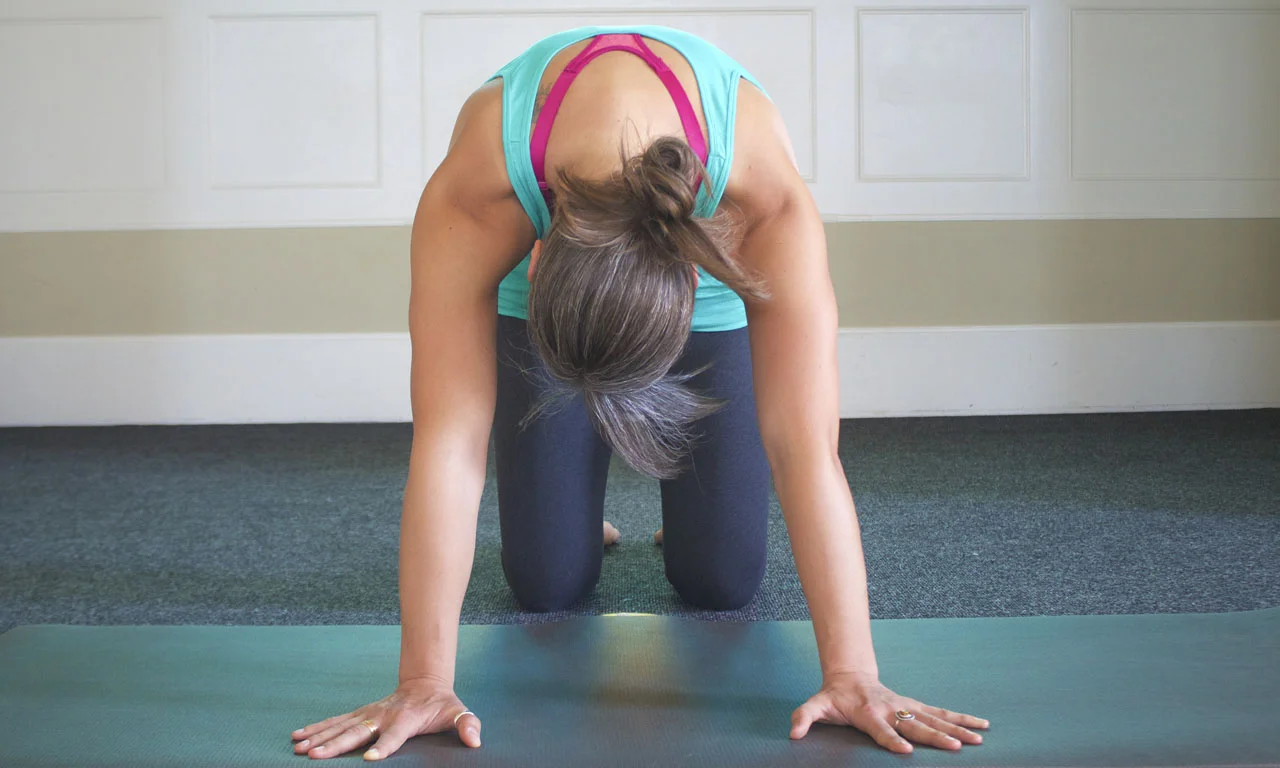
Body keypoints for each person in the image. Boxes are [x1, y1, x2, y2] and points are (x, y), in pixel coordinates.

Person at [290, 26, 990, 761]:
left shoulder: (760, 197)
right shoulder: (482, 187)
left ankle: (675, 511)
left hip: (706, 302)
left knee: (721, 582)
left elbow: (805, 448)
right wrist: (423, 679)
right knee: (546, 585)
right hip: (557, 313)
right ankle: (573, 511)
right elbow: (449, 437)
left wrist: (854, 674)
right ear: (535, 252)